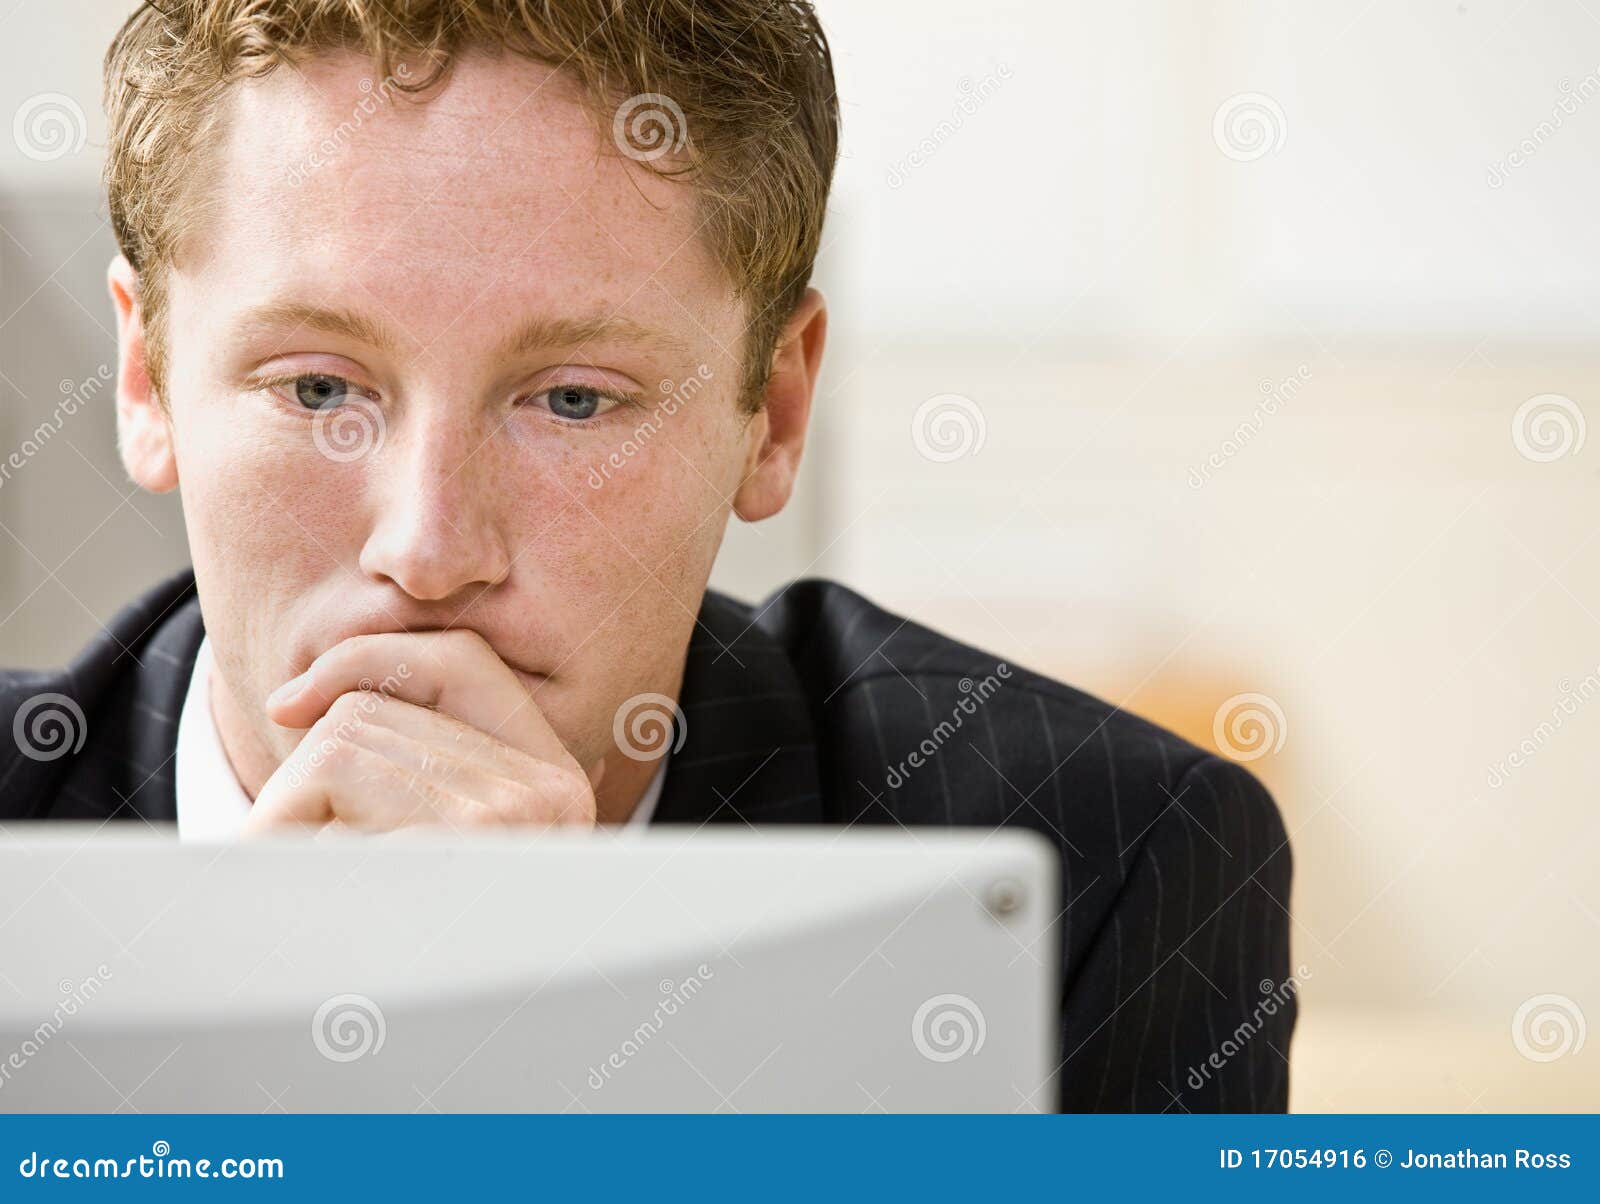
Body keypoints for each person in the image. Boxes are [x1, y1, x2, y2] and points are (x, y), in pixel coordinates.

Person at [0, 0, 1294, 1111]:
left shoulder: (1109, 866)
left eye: (573, 400)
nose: (429, 548)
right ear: (145, 377)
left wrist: (554, 1054)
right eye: (318, 386)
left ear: (773, 412)